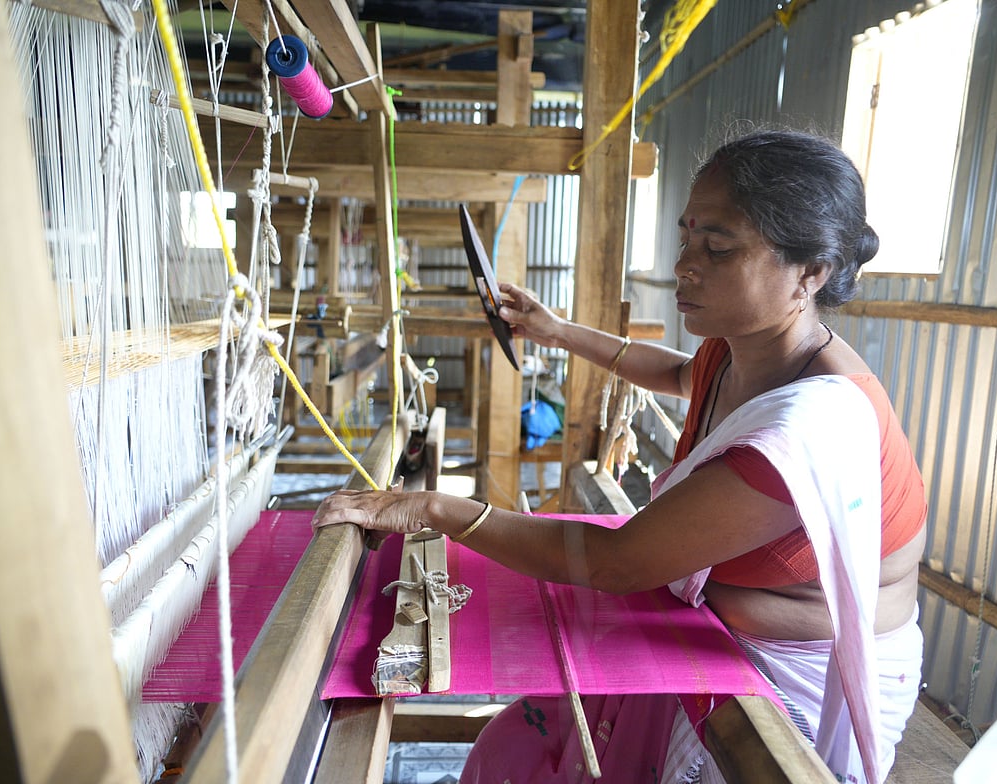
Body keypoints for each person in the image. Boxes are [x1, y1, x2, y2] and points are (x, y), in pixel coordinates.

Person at [312, 129, 926, 784]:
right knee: (521, 751)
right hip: (704, 636)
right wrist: (555, 330)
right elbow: (684, 374)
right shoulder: (741, 348)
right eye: (689, 236)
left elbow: (616, 563)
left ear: (810, 273)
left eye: (717, 247)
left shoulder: (811, 428)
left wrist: (434, 507)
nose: (685, 263)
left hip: (787, 677)